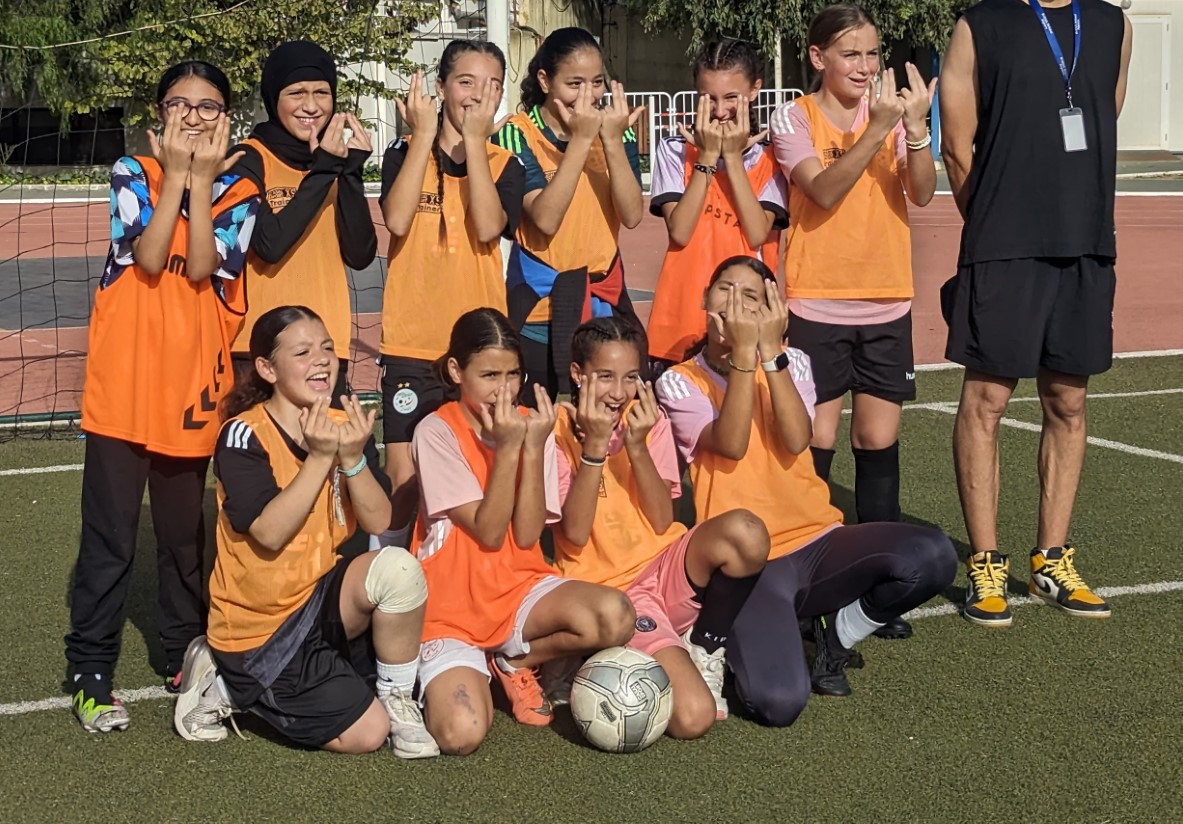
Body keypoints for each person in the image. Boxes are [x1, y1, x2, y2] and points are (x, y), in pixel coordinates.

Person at [938, 0, 1132, 627]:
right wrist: (995, 223)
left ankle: (1051, 559)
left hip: (1084, 244)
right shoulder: (979, 24)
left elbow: (1100, 120)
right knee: (986, 401)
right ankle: (986, 564)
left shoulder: (1112, 24)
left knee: (1068, 401)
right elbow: (957, 148)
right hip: (1004, 246)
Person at [655, 257, 956, 726]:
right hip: (753, 564)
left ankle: (836, 633)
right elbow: (731, 445)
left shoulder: (792, 361)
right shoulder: (678, 380)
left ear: (773, 309)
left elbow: (798, 439)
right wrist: (741, 358)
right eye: (724, 290)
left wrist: (770, 353)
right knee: (779, 704)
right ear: (704, 298)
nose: (734, 303)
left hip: (819, 542)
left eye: (751, 296)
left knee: (933, 555)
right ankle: (733, 635)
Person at [65, 61, 258, 733]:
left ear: (227, 117)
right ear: (159, 113)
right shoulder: (131, 173)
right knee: (110, 539)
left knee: (182, 541)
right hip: (123, 390)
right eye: (182, 104)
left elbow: (203, 264)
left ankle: (182, 654)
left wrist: (202, 183)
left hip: (191, 394)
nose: (196, 116)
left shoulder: (239, 194)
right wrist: (176, 175)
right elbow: (148, 258)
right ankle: (91, 669)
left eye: (209, 106)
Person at [173, 306, 438, 758]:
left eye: (328, 348)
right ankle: (226, 684)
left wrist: (352, 457)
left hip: (316, 600)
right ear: (266, 369)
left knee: (398, 568)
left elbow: (379, 522)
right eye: (302, 352)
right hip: (260, 629)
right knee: (366, 735)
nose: (321, 360)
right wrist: (320, 458)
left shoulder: (341, 422)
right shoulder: (243, 434)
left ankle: (397, 696)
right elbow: (270, 533)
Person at [768, 5, 937, 640]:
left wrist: (914, 130)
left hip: (888, 300)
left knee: (878, 444)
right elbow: (823, 190)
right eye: (850, 54)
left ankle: (876, 588)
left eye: (872, 54)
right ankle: (814, 579)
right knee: (816, 444)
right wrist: (879, 129)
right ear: (818, 58)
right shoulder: (794, 117)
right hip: (816, 302)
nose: (865, 68)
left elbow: (920, 192)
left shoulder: (892, 113)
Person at [411, 308, 635, 755]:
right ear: (456, 371)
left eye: (513, 374)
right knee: (462, 733)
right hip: (449, 610)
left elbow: (528, 534)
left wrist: (533, 446)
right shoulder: (435, 431)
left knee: (616, 615)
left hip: (518, 589)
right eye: (489, 375)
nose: (504, 389)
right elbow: (490, 532)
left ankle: (514, 660)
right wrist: (513, 445)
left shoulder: (534, 423)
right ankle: (457, 670)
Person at [554, 316, 770, 738]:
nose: (619, 392)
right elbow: (575, 533)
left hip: (665, 568)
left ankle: (704, 643)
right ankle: (591, 652)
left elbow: (661, 520)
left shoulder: (644, 421)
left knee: (746, 530)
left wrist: (636, 445)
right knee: (693, 718)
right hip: (611, 591)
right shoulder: (556, 430)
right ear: (578, 374)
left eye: (631, 377)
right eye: (605, 377)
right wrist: (596, 451)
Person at [377, 41, 523, 549]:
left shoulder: (505, 163)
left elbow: (488, 226)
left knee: (476, 471)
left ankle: (464, 587)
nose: (478, 95)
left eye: (492, 85)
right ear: (440, 87)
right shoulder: (403, 153)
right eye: (466, 82)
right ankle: (390, 589)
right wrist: (421, 138)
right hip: (412, 344)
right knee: (404, 478)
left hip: (481, 350)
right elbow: (395, 220)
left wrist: (478, 146)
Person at [495, 27, 645, 401]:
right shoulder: (517, 133)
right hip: (539, 311)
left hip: (601, 304)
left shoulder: (615, 132)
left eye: (597, 83)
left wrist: (609, 139)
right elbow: (544, 219)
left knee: (599, 419)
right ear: (545, 80)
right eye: (574, 83)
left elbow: (632, 214)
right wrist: (580, 140)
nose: (587, 96)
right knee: (541, 423)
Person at [231, 40, 377, 397]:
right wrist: (325, 170)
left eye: (321, 93)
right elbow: (269, 244)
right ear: (273, 98)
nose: (310, 106)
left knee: (329, 450)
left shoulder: (331, 163)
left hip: (326, 348)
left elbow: (360, 254)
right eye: (296, 93)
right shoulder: (247, 159)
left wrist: (350, 174)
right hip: (260, 352)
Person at [647, 39, 788, 371]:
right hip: (678, 325)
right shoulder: (674, 150)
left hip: (745, 325)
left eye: (731, 98)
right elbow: (680, 231)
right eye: (708, 98)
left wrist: (733, 159)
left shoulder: (772, 157)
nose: (720, 110)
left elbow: (756, 232)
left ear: (754, 90)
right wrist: (709, 156)